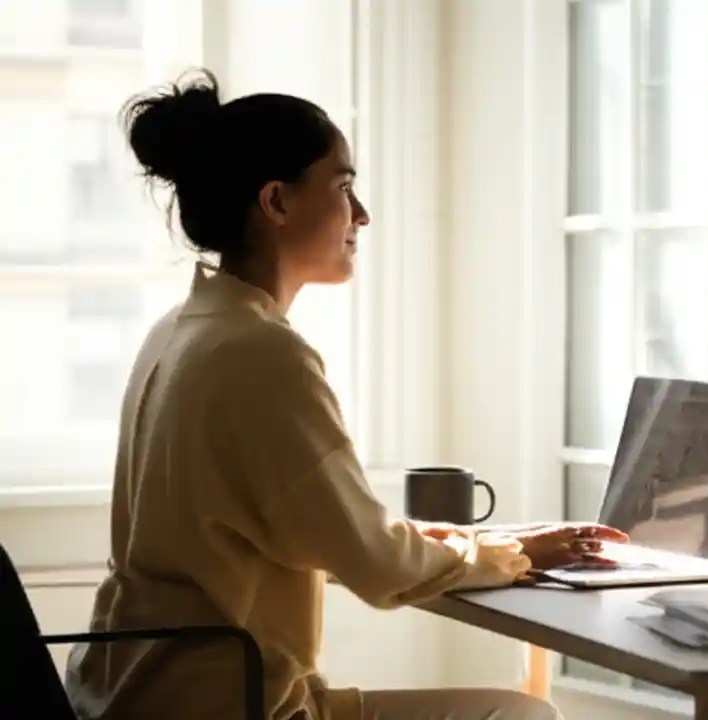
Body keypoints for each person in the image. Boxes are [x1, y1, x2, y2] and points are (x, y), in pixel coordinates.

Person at [63, 68, 627, 720]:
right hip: (223, 706)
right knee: (523, 715)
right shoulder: (260, 353)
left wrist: (459, 543)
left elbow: (314, 531)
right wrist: (517, 554)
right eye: (344, 186)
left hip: (130, 696)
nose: (361, 214)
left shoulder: (183, 330)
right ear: (276, 202)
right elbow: (378, 564)